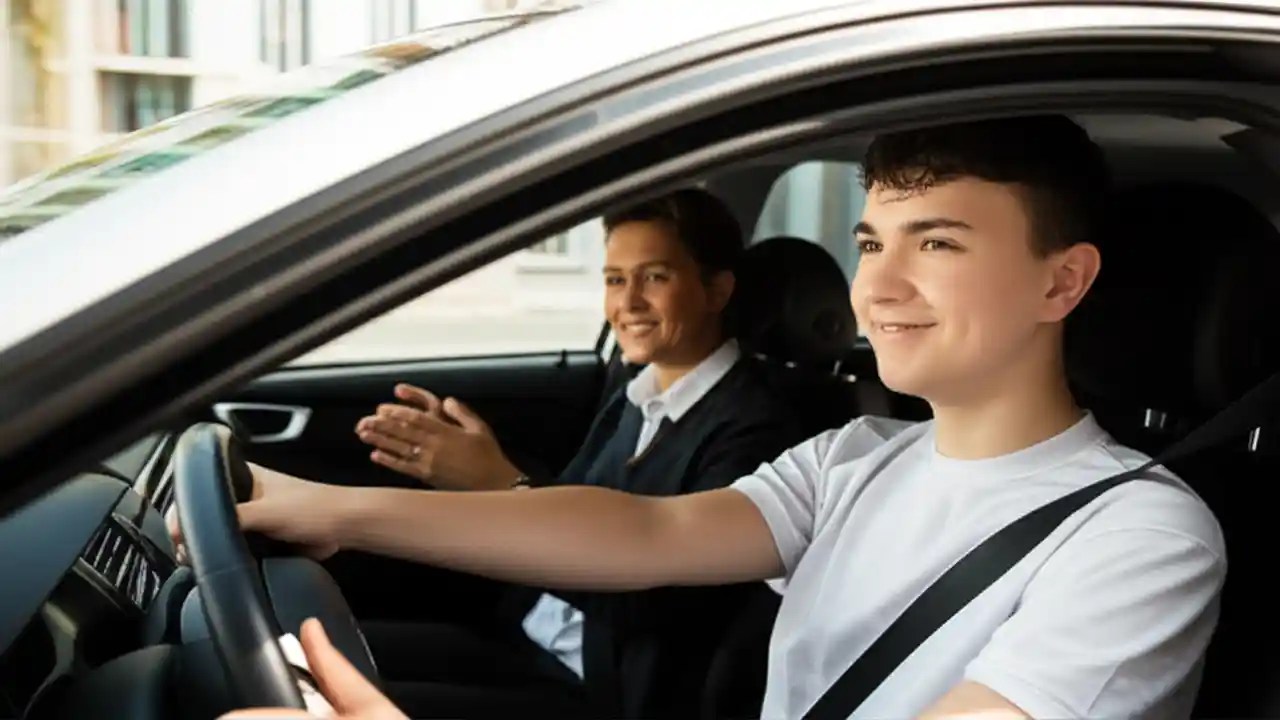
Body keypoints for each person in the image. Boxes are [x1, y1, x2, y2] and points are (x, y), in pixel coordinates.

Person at [211, 115, 1226, 719]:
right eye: (872, 242)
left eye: (939, 244)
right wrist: (334, 511)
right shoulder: (855, 456)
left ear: (1062, 282)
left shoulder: (1139, 537)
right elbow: (645, 528)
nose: (878, 288)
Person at [239, 187, 807, 718]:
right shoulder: (638, 393)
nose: (628, 302)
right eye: (614, 279)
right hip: (523, 634)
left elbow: (659, 605)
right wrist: (489, 475)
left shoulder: (757, 430)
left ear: (717, 289)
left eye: (653, 277)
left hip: (598, 689)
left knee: (291, 695)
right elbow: (574, 500)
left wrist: (499, 483)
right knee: (282, 657)